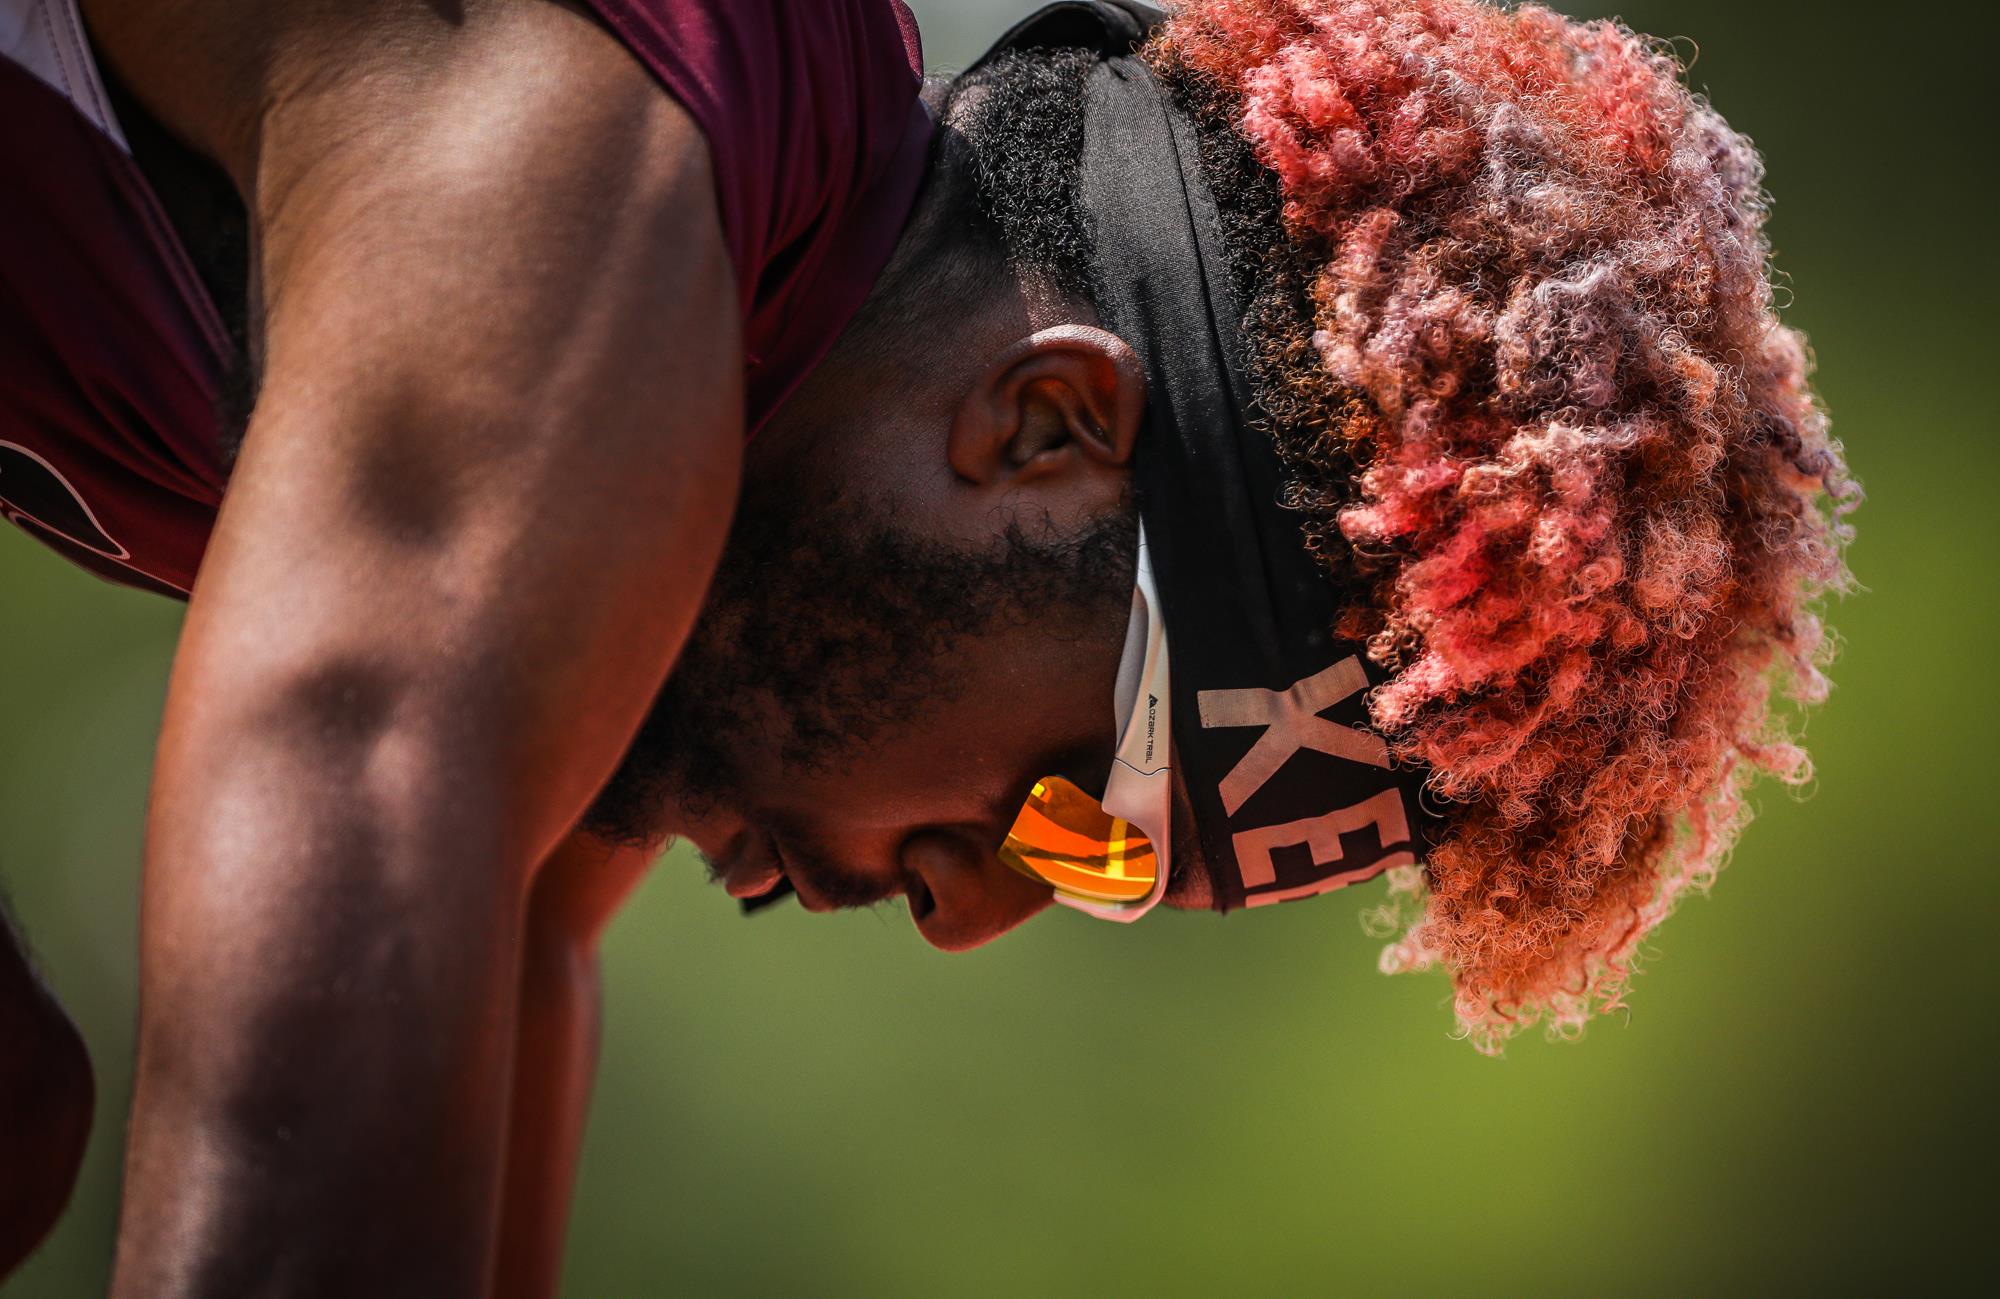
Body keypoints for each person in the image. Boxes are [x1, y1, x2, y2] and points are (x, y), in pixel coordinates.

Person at [0, 0, 1855, 1293]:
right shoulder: (583, 192)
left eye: (1106, 878)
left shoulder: (650, 467)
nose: (971, 912)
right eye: (1084, 805)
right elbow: (290, 1204)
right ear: (1041, 428)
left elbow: (488, 1000)